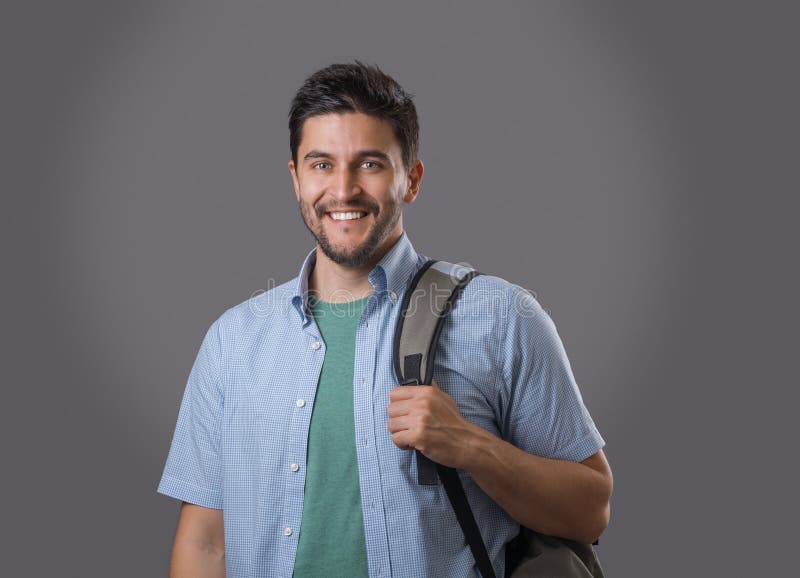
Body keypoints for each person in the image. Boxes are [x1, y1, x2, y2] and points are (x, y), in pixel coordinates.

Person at [157, 61, 613, 578]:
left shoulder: (502, 317)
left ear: (411, 179)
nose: (344, 189)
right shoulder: (232, 342)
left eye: (369, 164)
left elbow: (590, 508)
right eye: (322, 164)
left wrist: (473, 447)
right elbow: (205, 544)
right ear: (296, 178)